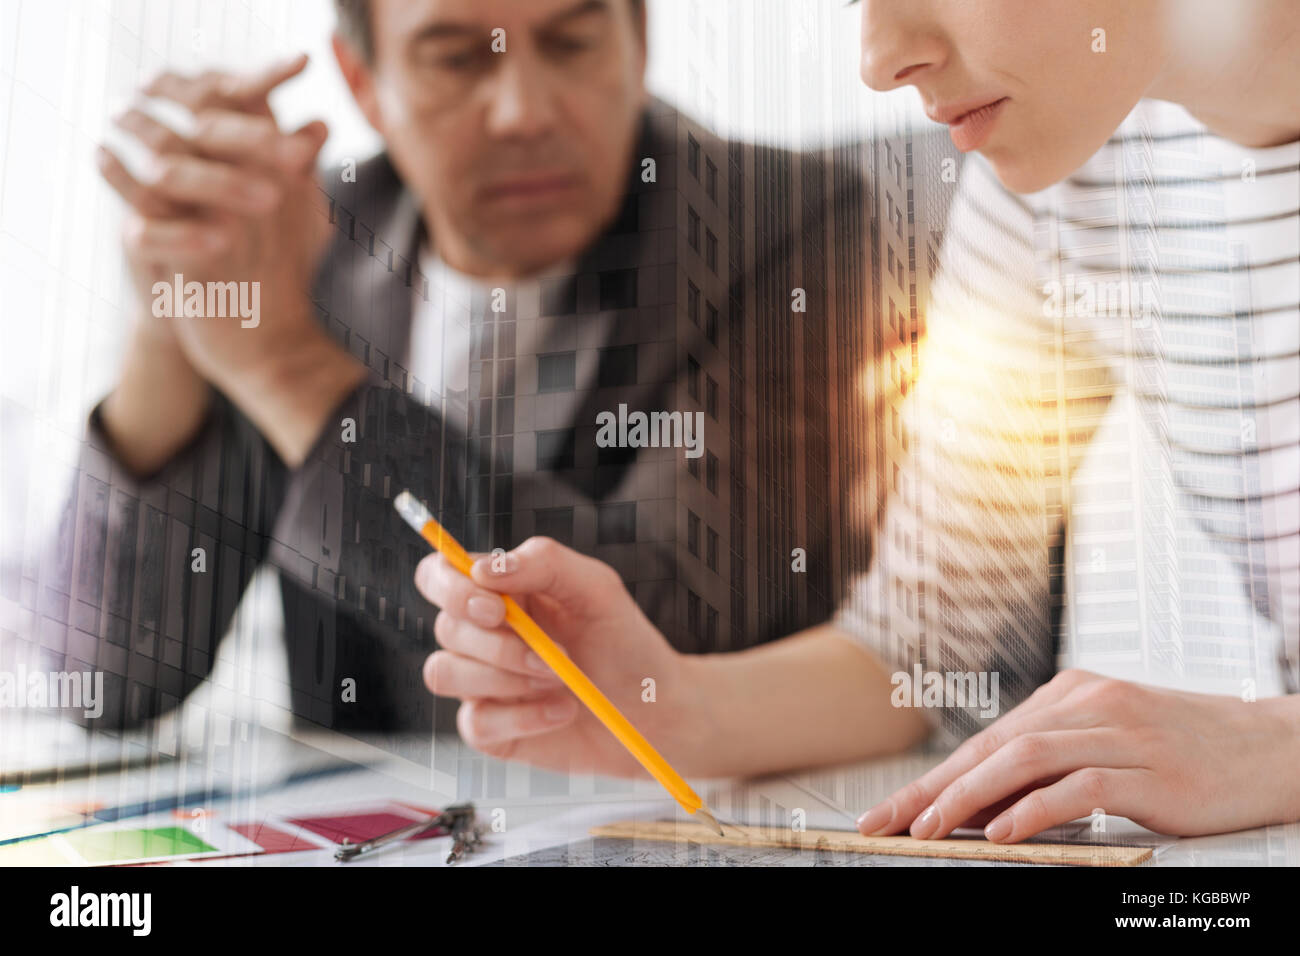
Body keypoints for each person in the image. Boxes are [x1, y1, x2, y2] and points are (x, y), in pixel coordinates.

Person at [417, 0, 1299, 842]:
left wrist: (1275, 747)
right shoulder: (1072, 178)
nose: (879, 62)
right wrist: (665, 706)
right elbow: (925, 643)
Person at [24, 0, 888, 738]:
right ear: (364, 85)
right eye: (455, 59)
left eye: (572, 42)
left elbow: (679, 640)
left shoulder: (784, 226)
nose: (524, 111)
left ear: (639, 42)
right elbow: (108, 681)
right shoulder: (304, 239)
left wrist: (287, 367)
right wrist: (177, 299)